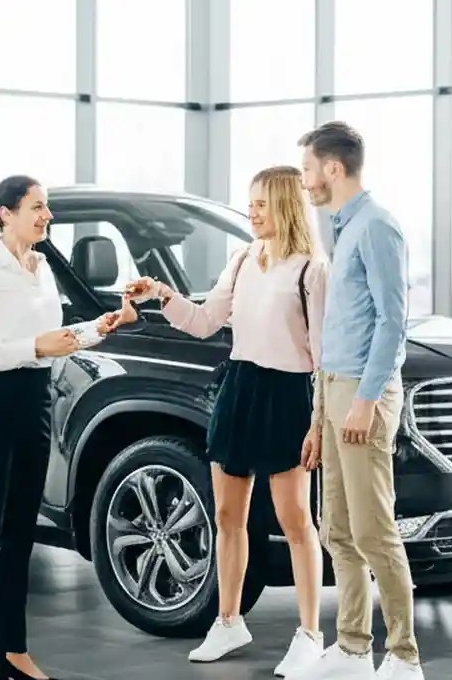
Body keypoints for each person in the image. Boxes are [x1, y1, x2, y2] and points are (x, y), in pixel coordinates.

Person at [120, 166, 329, 678]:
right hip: (239, 388)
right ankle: (229, 620)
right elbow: (205, 321)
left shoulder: (313, 270)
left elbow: (326, 357)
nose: (251, 212)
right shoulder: (242, 260)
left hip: (288, 395)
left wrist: (318, 424)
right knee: (228, 518)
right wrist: (164, 296)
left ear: (284, 206)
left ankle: (310, 636)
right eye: (250, 203)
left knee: (296, 522)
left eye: (260, 203)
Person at [0, 175, 130, 680]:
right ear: (6, 213)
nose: (47, 216)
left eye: (47, 208)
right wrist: (32, 349)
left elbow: (56, 337)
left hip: (34, 401)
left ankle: (13, 651)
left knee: (21, 533)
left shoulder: (42, 266)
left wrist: (102, 326)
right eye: (37, 207)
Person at [289, 122, 424, 680]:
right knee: (337, 529)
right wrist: (320, 418)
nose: (304, 181)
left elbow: (394, 324)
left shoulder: (377, 228)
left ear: (333, 169)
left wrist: (365, 402)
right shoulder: (344, 230)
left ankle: (403, 655)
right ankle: (350, 649)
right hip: (337, 391)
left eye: (307, 170)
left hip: (365, 396)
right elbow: (339, 336)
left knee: (374, 530)